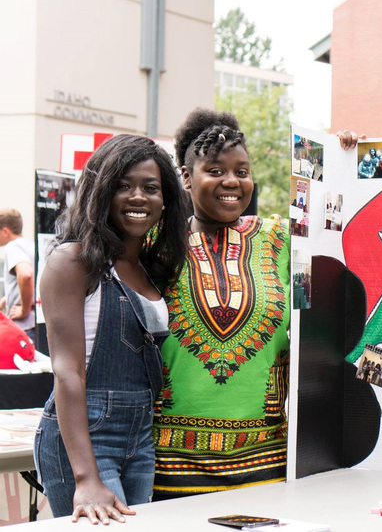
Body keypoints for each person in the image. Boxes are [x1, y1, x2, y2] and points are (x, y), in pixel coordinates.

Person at [152, 108, 360, 499]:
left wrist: (343, 158)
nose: (231, 181)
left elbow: (346, 227)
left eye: (242, 171)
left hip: (268, 468)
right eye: (215, 170)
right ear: (185, 177)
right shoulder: (153, 247)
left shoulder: (283, 240)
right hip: (168, 470)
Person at [34, 135, 188, 523]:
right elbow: (67, 371)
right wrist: (85, 477)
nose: (138, 197)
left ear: (165, 199)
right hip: (86, 438)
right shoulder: (73, 261)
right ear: (101, 191)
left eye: (150, 188)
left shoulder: (149, 268)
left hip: (141, 438)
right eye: (123, 185)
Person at [0, 209, 36, 342]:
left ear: (5, 231)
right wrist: (8, 298)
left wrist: (24, 310)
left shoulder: (12, 247)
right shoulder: (31, 246)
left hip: (24, 326)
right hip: (36, 323)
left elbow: (26, 275)